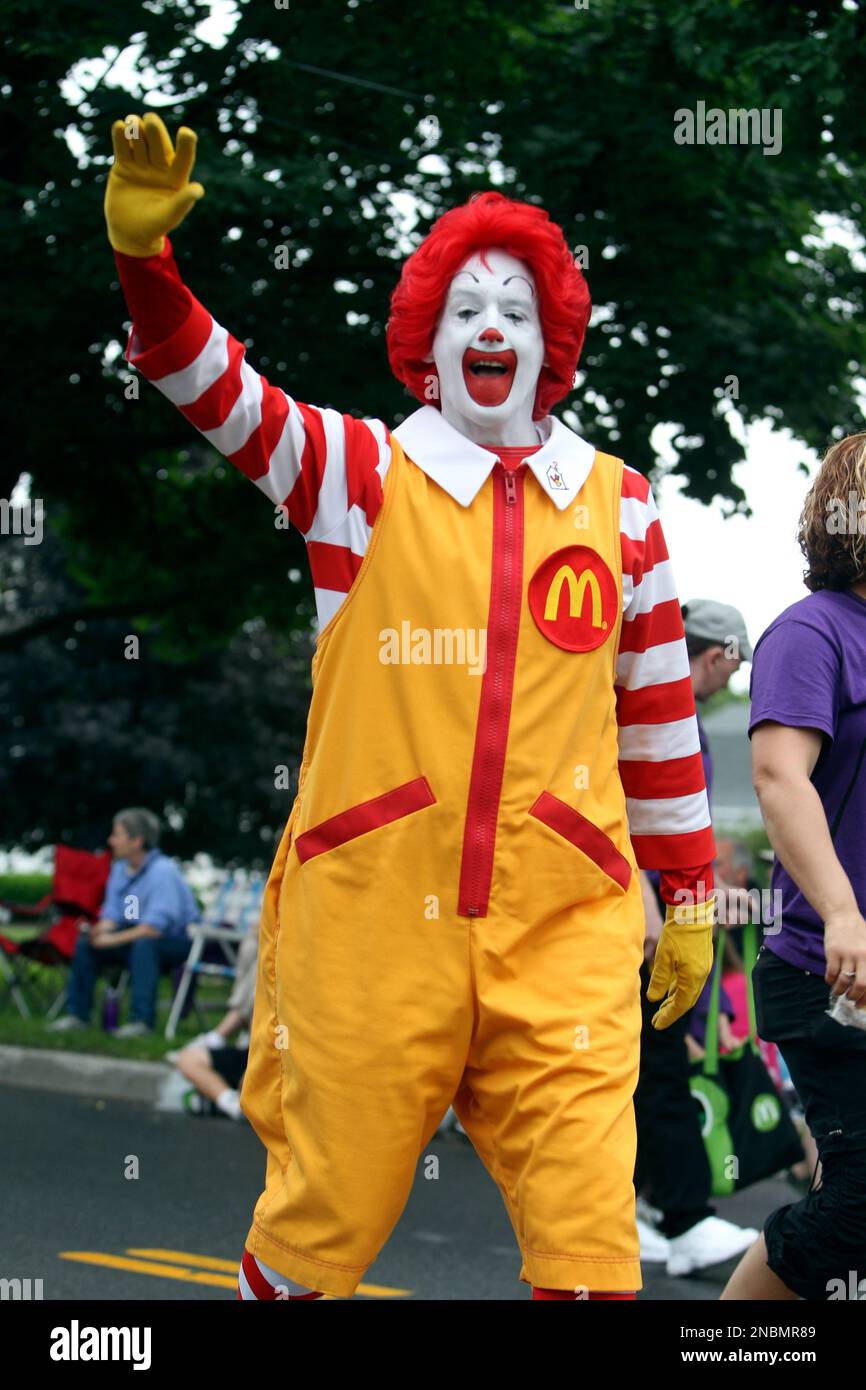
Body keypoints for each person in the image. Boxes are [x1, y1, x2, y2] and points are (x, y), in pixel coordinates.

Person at [104, 112, 718, 1302]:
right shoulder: (355, 476)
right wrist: (147, 267)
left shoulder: (623, 506)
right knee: (316, 1230)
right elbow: (219, 392)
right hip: (373, 920)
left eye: (517, 312)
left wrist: (687, 889)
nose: (493, 327)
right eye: (466, 311)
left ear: (553, 348)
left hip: (564, 930)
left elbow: (656, 722)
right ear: (426, 349)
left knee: (591, 1241)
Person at [722, 432, 866, 1302]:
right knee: (855, 1209)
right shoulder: (811, 633)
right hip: (831, 968)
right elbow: (780, 779)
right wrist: (846, 912)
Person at [634, 601, 759, 1275]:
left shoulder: (677, 719)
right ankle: (677, 1218)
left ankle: (650, 1210)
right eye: (730, 669)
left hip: (657, 910)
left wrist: (703, 897)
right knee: (654, 1072)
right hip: (641, 916)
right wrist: (652, 913)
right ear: (717, 656)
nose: (728, 685)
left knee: (647, 1071)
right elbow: (635, 821)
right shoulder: (667, 718)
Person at [48, 807, 199, 1038]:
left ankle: (142, 1022)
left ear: (137, 841)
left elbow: (154, 928)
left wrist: (112, 939)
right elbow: (123, 914)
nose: (111, 841)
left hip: (177, 942)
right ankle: (78, 1016)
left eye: (117, 835)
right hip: (138, 935)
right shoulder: (122, 871)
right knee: (86, 943)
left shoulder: (163, 872)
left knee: (144, 946)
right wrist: (100, 930)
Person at [169, 922, 259, 1120]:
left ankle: (220, 1034)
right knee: (188, 1059)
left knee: (262, 953)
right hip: (250, 1050)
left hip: (269, 1056)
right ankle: (233, 1105)